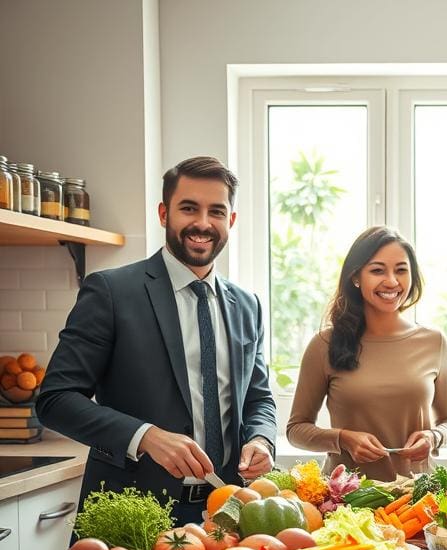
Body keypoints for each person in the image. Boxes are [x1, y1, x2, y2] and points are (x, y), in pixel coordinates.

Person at [37, 156, 276, 525]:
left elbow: (258, 397)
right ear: (164, 214)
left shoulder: (248, 305)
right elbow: (55, 400)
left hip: (227, 515)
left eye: (216, 211)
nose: (202, 223)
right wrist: (144, 436)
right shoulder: (110, 291)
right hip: (130, 513)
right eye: (188, 208)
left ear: (231, 221)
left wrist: (262, 440)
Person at [286, 226, 447, 481]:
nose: (391, 281)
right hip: (348, 500)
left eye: (401, 270)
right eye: (378, 270)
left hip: (416, 498)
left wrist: (433, 437)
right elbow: (296, 430)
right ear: (356, 277)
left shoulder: (434, 342)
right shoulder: (324, 344)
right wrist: (343, 439)